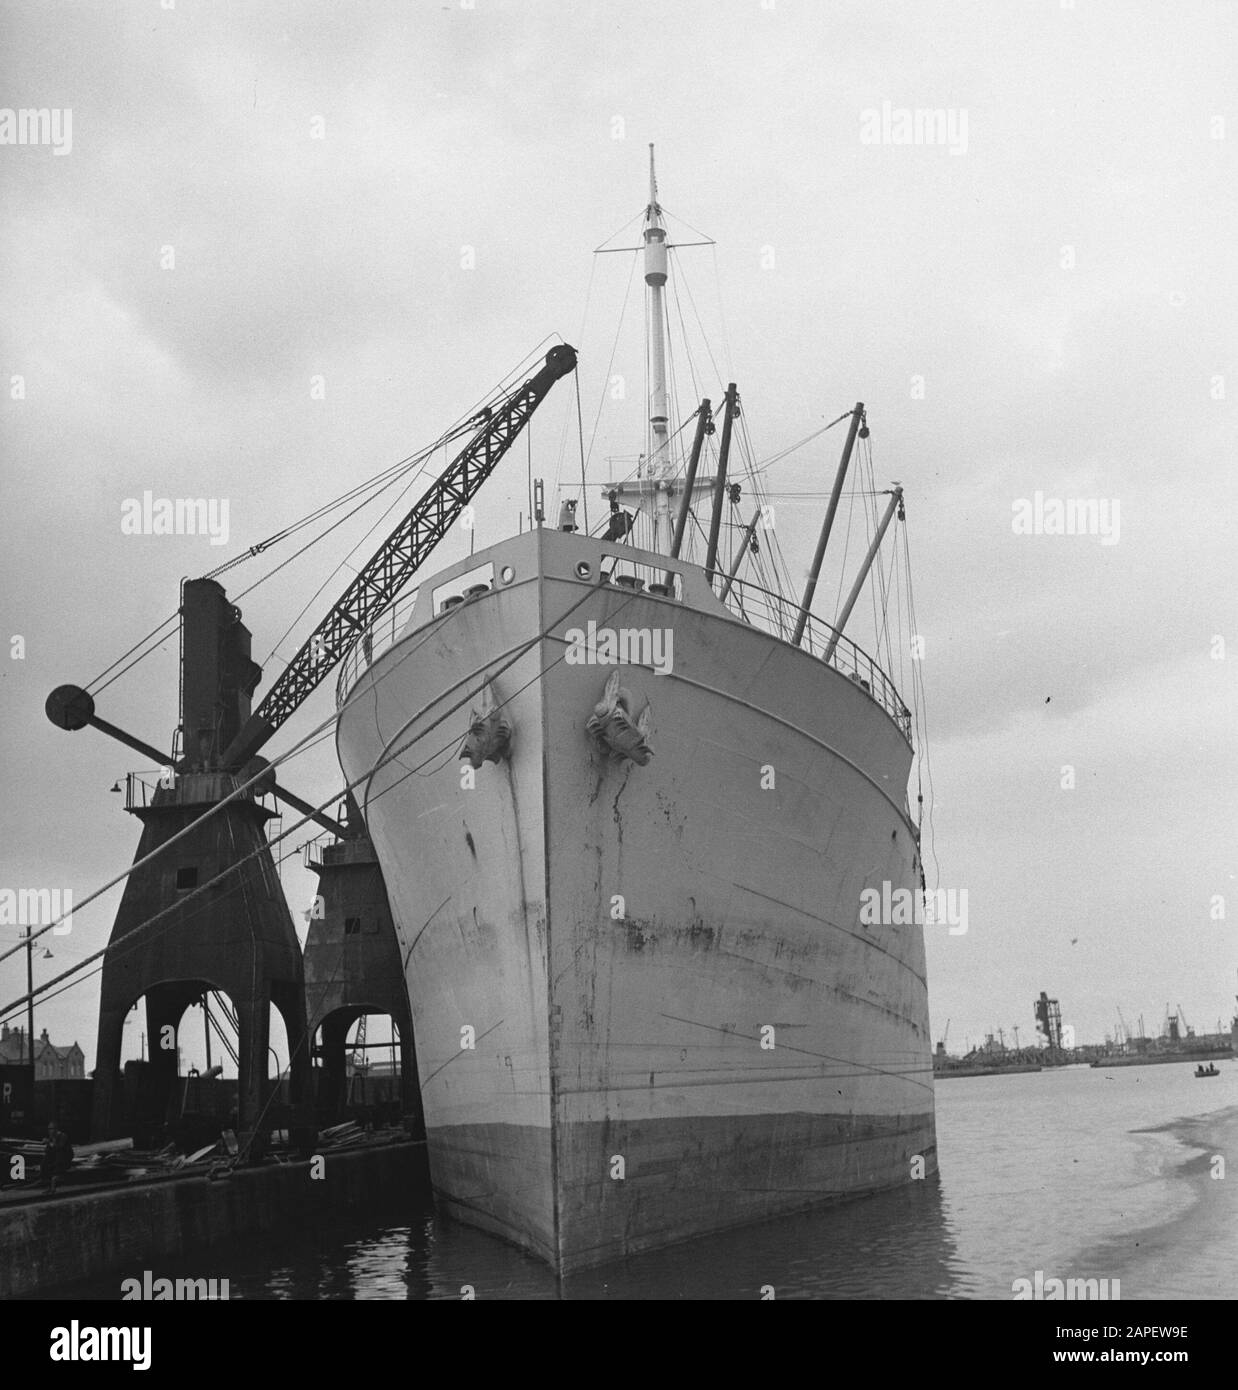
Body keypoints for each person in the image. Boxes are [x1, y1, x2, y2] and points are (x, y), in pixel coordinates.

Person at [42, 1121, 73, 1193]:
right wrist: (48, 1145)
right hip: (55, 1157)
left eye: (52, 1129)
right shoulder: (51, 1137)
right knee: (45, 1163)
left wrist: (50, 1143)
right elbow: (48, 1150)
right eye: (49, 1129)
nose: (50, 1131)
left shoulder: (63, 1136)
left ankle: (53, 1186)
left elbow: (60, 1148)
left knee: (58, 1161)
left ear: (56, 1129)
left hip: (65, 1157)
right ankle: (48, 1185)